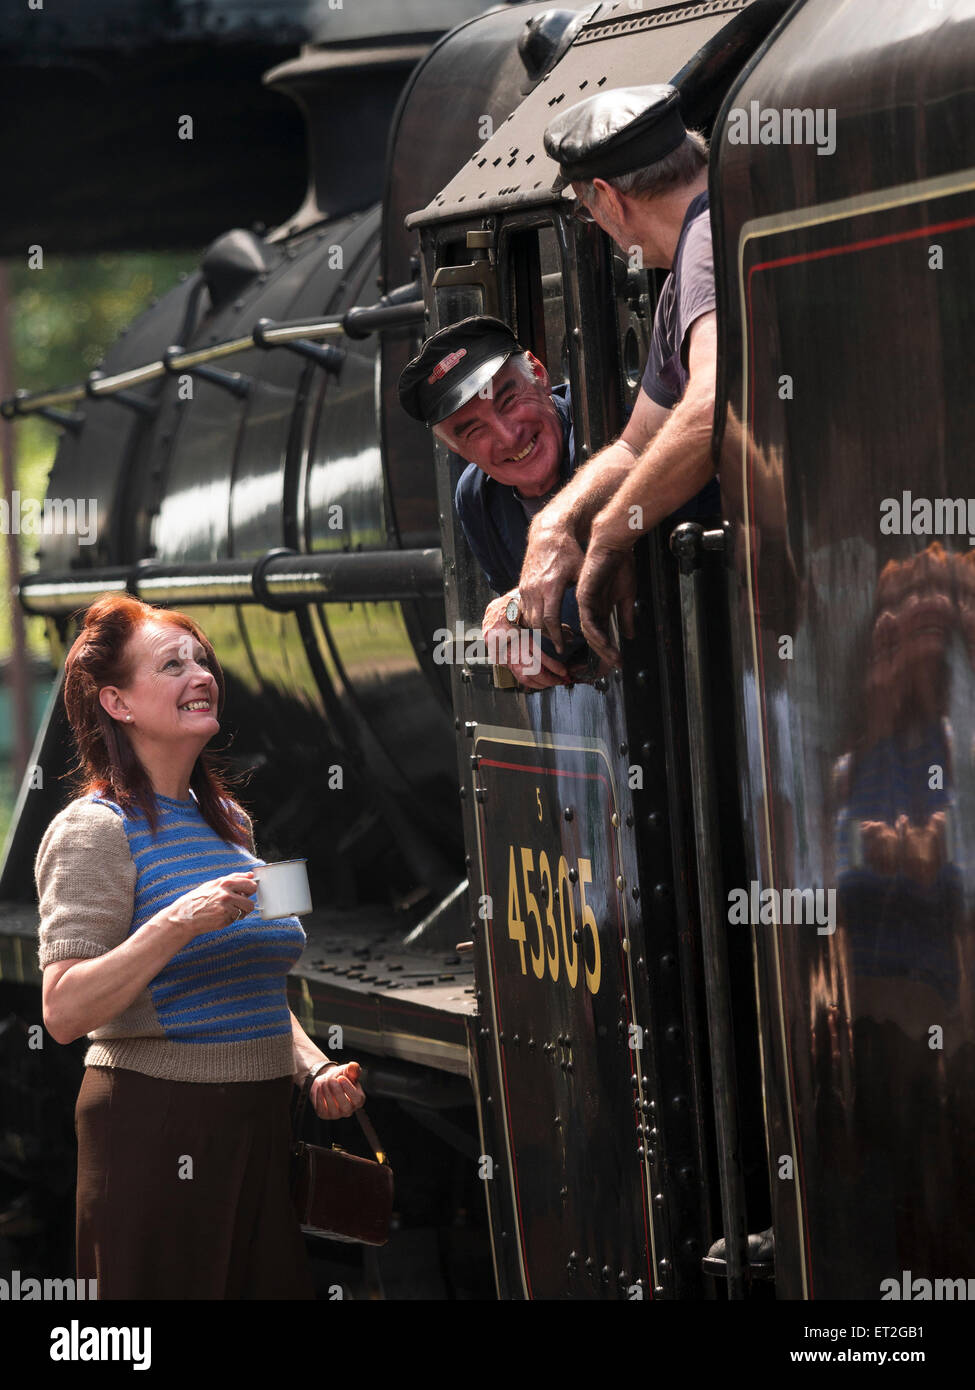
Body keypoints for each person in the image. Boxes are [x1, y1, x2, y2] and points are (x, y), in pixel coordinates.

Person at [34, 592, 366, 1299]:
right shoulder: (92, 830)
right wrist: (174, 924)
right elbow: (63, 1012)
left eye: (200, 659)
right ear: (118, 704)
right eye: (171, 664)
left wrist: (312, 1069)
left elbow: (252, 983)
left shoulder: (233, 827)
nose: (200, 673)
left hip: (255, 1122)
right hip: (155, 1123)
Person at [517, 83, 721, 665]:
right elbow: (637, 444)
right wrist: (556, 521)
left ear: (606, 198)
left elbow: (713, 405)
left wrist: (610, 533)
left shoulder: (707, 239)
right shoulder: (686, 268)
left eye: (587, 210)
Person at [398, 315, 589, 690]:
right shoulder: (475, 499)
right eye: (474, 431)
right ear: (454, 448)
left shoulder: (609, 432)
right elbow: (544, 638)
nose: (509, 437)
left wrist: (511, 610)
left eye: (509, 400)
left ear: (538, 371)